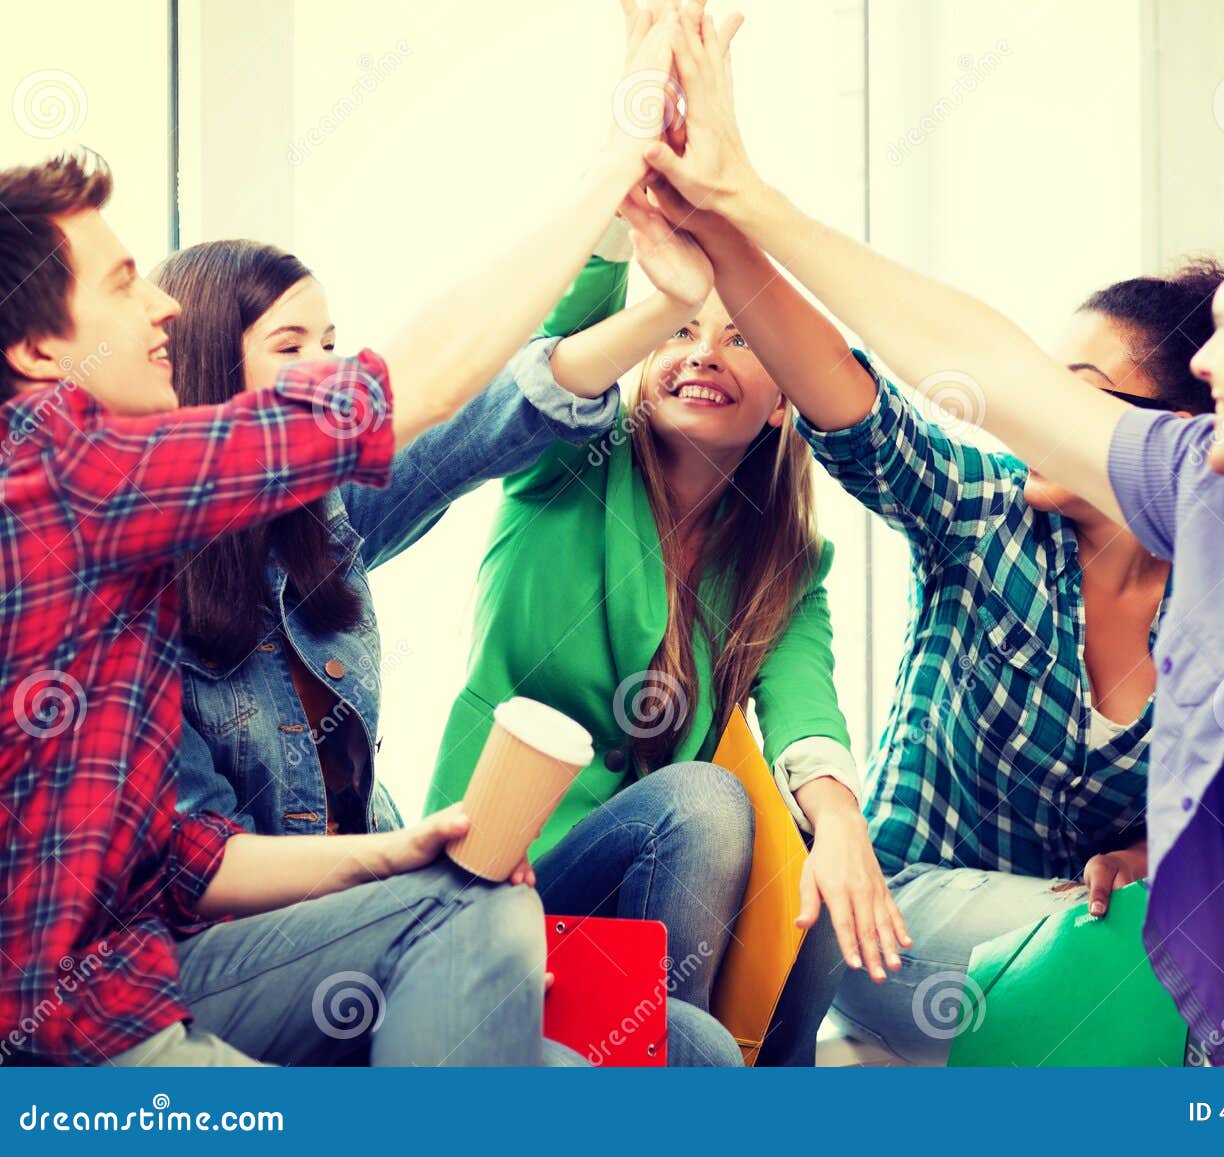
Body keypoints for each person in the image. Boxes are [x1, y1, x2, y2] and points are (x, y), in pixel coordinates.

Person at [645, 4, 1224, 1065]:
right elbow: (981, 364)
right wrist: (737, 205)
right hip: (1148, 995)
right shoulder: (1207, 502)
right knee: (1132, 970)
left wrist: (1166, 852)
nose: (1208, 365)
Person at [0, 0, 693, 1067]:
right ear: (42, 352)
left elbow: (185, 855)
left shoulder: (164, 533)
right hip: (90, 1029)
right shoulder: (64, 471)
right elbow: (417, 382)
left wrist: (395, 851)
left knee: (669, 1046)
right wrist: (615, 163)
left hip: (155, 986)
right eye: (125, 282)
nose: (160, 308)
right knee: (492, 937)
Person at [624, 177, 1223, 1063]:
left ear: (1166, 437)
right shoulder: (982, 510)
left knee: (1189, 951)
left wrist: (1142, 850)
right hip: (899, 924)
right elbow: (850, 402)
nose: (1034, 419)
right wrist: (722, 217)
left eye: (1073, 397)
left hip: (1077, 946)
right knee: (1140, 963)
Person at [154, 230, 739, 1067]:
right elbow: (206, 872)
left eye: (331, 344)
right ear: (211, 373)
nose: (328, 371)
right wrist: (445, 916)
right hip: (270, 961)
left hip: (395, 906)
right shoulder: (136, 589)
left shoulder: (324, 520)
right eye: (291, 347)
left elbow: (500, 415)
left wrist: (669, 306)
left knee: (701, 1050)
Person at [426, 233, 904, 1068]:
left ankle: (710, 1062)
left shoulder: (786, 562)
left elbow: (805, 704)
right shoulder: (567, 458)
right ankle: (671, 1051)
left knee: (830, 879)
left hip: (649, 899)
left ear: (784, 401)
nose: (704, 352)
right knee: (706, 801)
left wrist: (840, 822)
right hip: (499, 880)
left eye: (741, 337)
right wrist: (621, 219)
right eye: (681, 329)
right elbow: (567, 338)